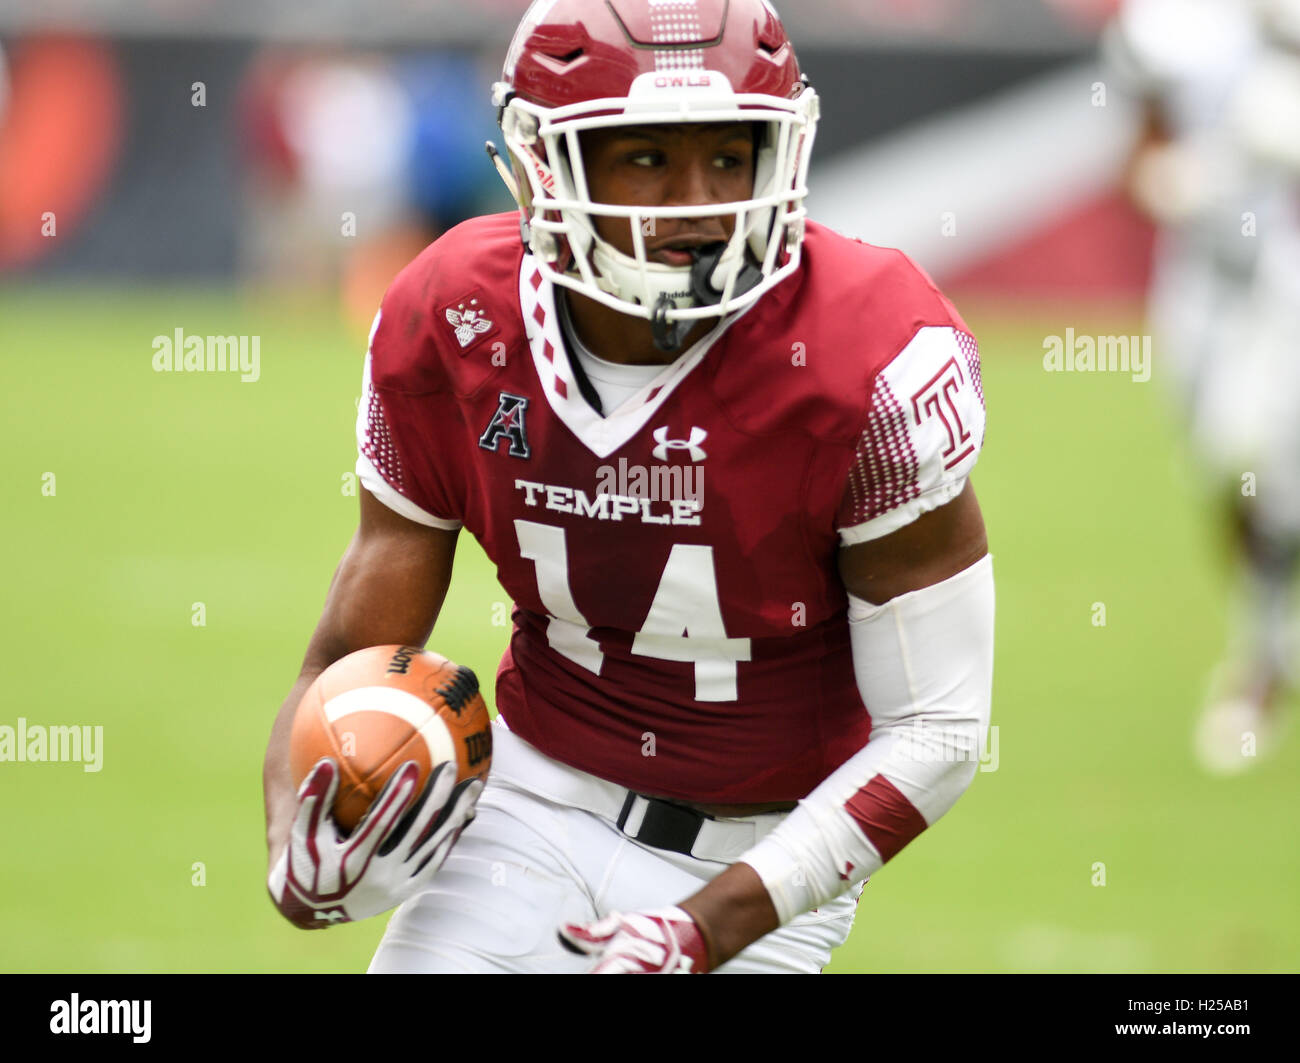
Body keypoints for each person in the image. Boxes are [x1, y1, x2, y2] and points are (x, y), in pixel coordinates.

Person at [262, 0, 995, 974]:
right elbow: (346, 655)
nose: (698, 203)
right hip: (525, 807)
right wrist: (295, 834)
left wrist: (707, 926)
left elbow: (938, 729)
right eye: (646, 157)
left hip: (760, 861)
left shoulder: (867, 350)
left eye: (729, 156)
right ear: (543, 164)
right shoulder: (457, 315)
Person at [1106, 0, 1300, 774]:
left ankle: (1260, 660)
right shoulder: (1161, 26)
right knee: (1220, 465)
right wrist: (1172, 182)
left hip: (1285, 269)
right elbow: (1140, 155)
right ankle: (1270, 644)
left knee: (1266, 459)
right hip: (1200, 277)